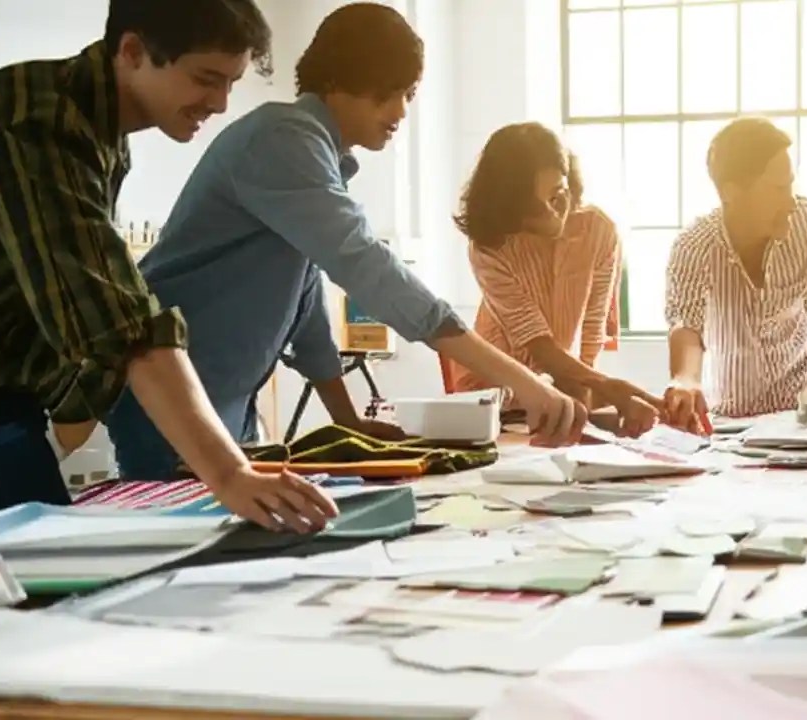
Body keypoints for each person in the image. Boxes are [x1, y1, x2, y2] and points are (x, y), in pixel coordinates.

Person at [103, 3, 587, 480]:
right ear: (336, 81)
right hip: (168, 394)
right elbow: (367, 267)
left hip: (224, 400)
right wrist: (525, 383)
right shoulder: (282, 138)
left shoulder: (316, 154)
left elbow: (305, 299)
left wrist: (345, 417)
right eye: (386, 94)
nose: (399, 111)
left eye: (408, 94)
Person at [0, 0, 337, 531]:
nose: (219, 103)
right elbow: (122, 323)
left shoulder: (94, 128)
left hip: (3, 405)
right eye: (206, 79)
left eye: (230, 82)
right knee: (36, 583)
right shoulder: (36, 122)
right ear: (133, 51)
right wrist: (229, 473)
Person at [452, 122, 662, 437]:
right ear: (510, 206)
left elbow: (591, 334)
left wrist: (591, 399)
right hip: (496, 400)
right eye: (536, 207)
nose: (553, 213)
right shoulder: (489, 246)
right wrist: (613, 390)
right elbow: (539, 347)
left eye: (558, 194)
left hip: (563, 386)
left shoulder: (599, 230)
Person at [664, 117, 807, 431]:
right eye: (778, 188)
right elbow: (686, 327)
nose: (791, 201)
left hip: (799, 420)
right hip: (728, 423)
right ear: (730, 192)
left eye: (791, 184)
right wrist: (685, 382)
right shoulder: (693, 246)